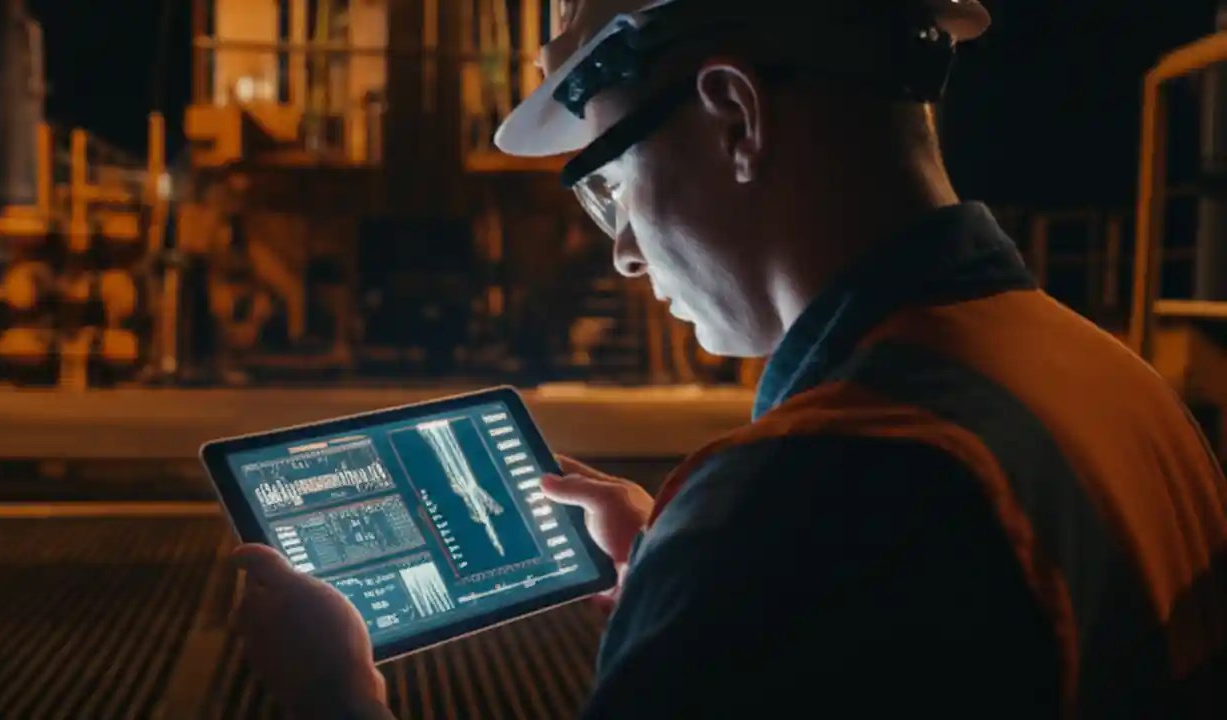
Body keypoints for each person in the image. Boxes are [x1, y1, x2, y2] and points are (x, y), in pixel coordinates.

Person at [233, 0, 1227, 717]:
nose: (621, 249)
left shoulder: (812, 491)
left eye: (611, 179)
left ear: (735, 117)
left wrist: (336, 700)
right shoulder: (1106, 376)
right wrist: (689, 582)